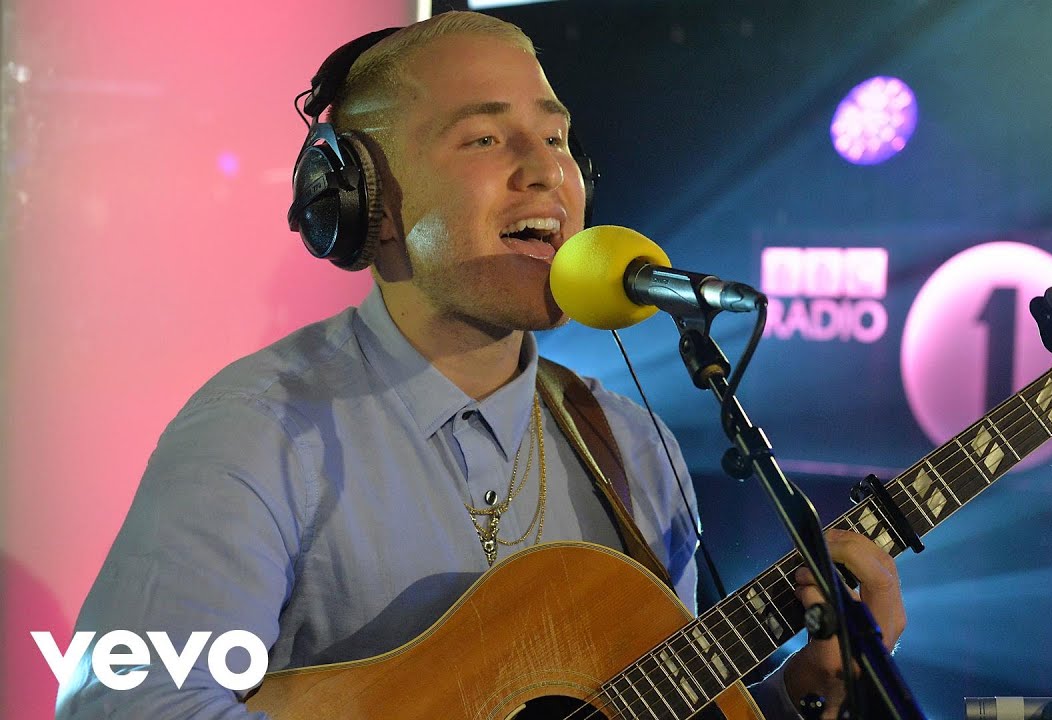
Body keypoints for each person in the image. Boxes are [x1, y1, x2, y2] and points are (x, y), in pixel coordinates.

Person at [57, 11, 904, 719]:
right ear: (362, 204)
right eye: (487, 138)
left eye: (558, 137)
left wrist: (801, 692)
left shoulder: (634, 446)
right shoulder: (261, 431)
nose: (546, 172)